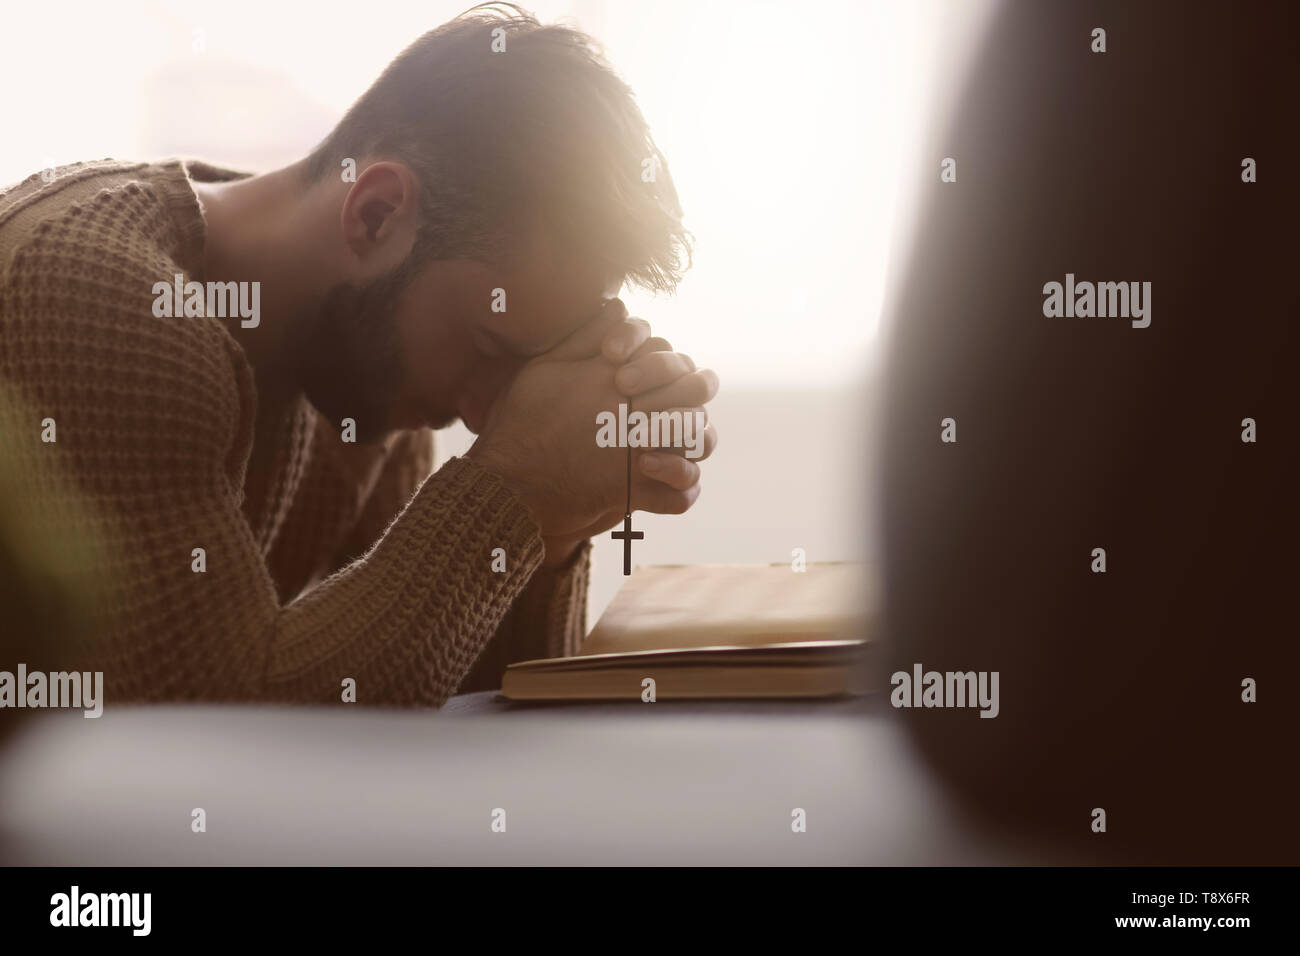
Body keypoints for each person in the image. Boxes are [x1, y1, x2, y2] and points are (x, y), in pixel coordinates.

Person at [0, 4, 718, 706]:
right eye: (486, 346)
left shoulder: (368, 396)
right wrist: (519, 486)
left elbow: (420, 722)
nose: (478, 416)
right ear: (376, 213)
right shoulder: (98, 295)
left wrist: (556, 520)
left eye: (523, 370)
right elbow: (215, 745)